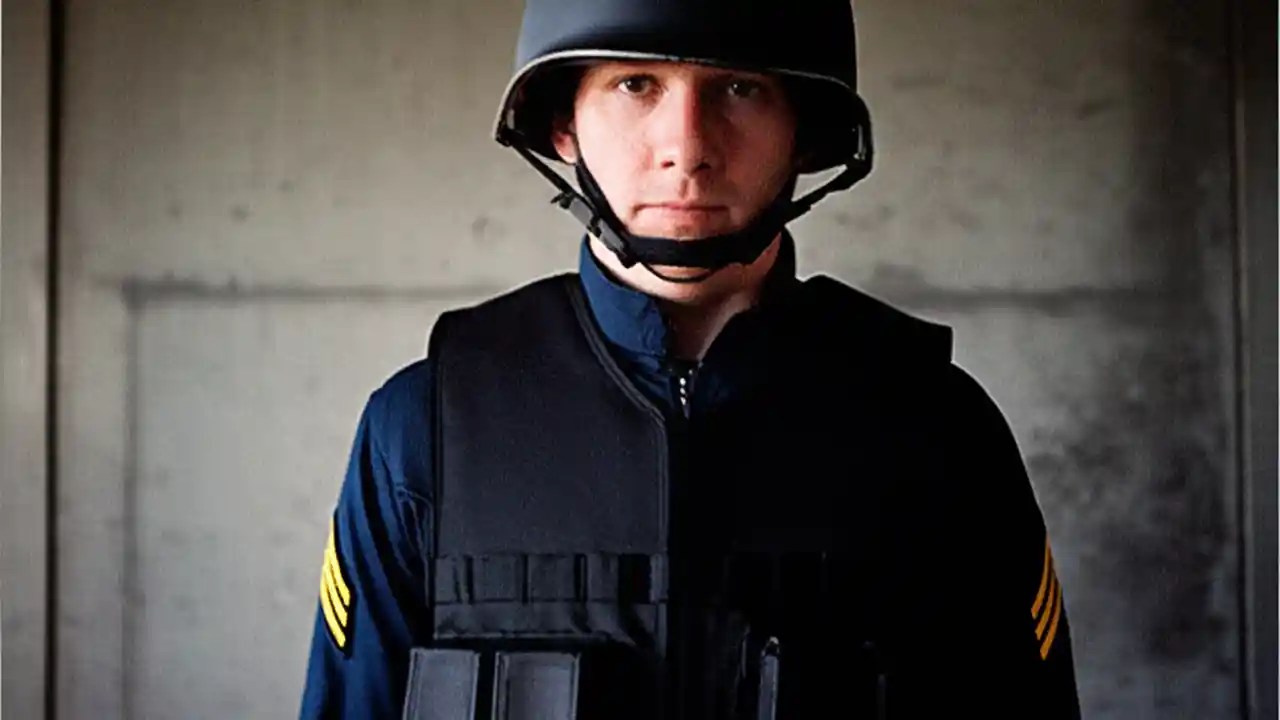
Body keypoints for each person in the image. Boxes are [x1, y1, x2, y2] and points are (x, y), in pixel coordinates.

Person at [298, 1, 1082, 717]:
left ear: (803, 132)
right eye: (636, 85)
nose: (688, 148)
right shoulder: (425, 427)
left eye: (739, 89)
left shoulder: (936, 424)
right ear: (563, 124)